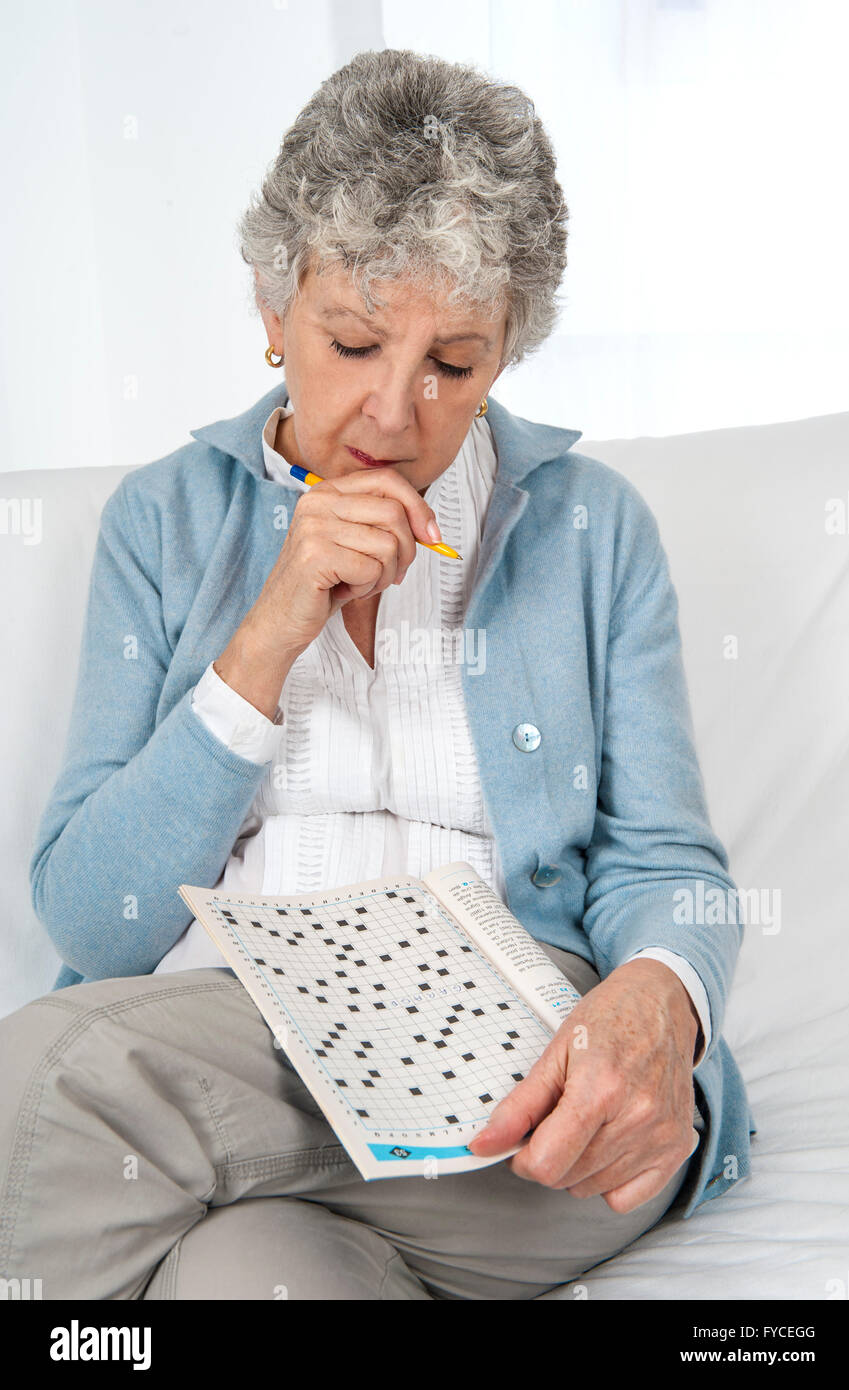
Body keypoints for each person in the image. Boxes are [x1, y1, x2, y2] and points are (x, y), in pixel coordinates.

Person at [1, 48, 753, 1300]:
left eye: (452, 365)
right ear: (270, 307)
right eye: (351, 341)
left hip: (520, 1094)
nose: (393, 415)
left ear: (509, 351)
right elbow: (93, 922)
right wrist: (268, 633)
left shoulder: (591, 528)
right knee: (247, 1276)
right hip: (232, 1031)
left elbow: (671, 865)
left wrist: (658, 1003)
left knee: (45, 1081)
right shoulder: (163, 521)